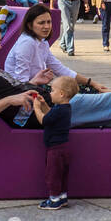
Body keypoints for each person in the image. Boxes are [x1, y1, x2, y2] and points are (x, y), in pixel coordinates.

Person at [3, 4, 102, 91]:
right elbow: (21, 85)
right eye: (41, 23)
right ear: (29, 25)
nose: (47, 27)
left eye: (49, 22)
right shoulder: (27, 43)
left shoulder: (42, 41)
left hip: (36, 88)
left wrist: (91, 83)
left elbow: (59, 69)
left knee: (96, 91)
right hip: (25, 95)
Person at [33, 75, 76, 210]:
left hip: (55, 150)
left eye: (52, 90)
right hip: (63, 148)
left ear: (62, 94)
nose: (50, 93)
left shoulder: (59, 110)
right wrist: (44, 104)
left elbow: (44, 120)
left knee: (53, 174)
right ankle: (62, 197)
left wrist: (36, 108)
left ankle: (54, 200)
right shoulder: (64, 108)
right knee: (62, 174)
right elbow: (50, 115)